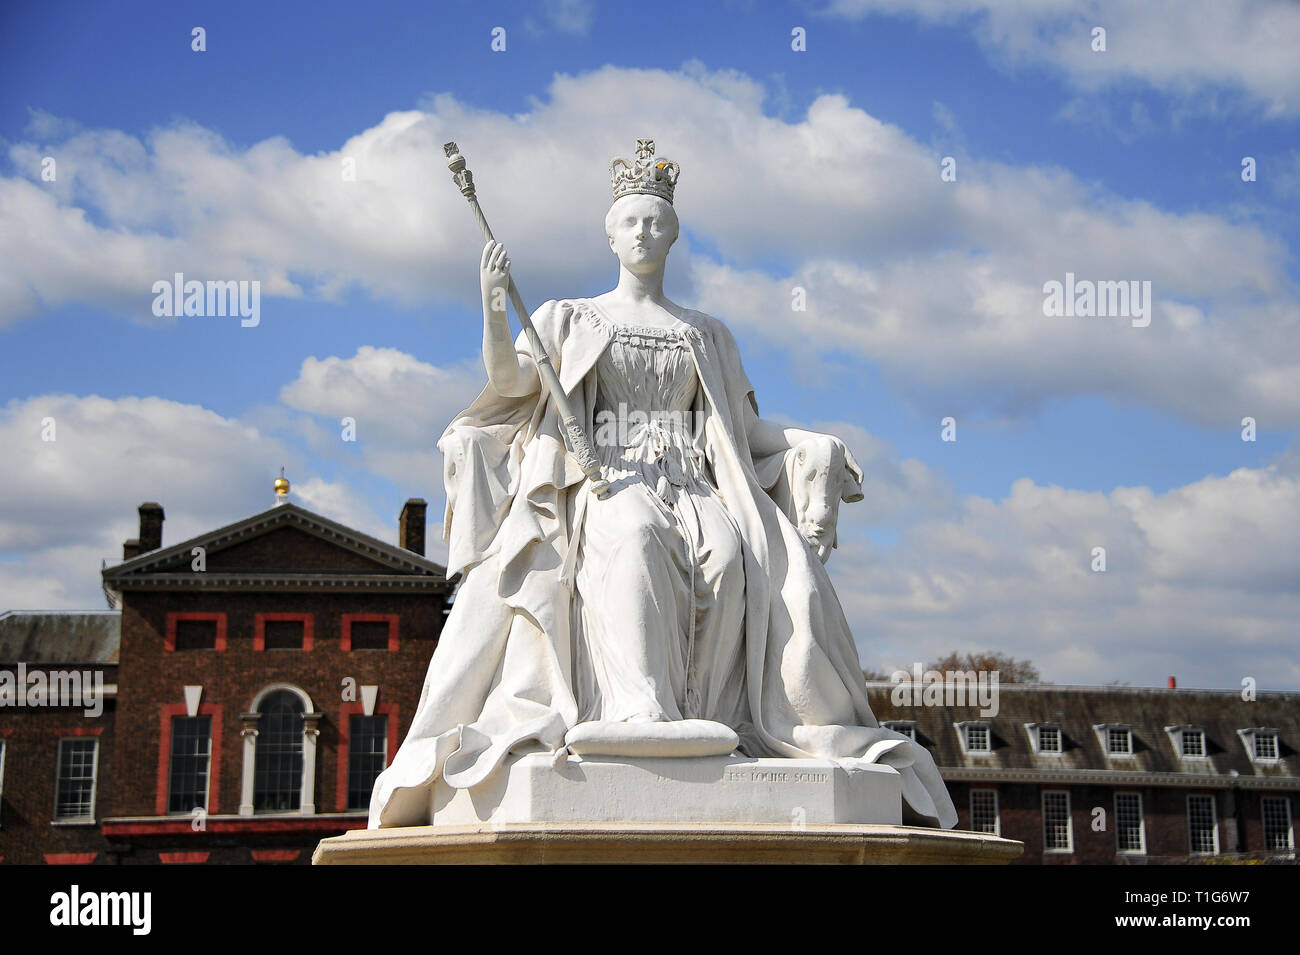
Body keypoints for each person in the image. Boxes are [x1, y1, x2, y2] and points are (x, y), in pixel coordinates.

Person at [369, 140, 957, 829]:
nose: (644, 233)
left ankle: (704, 718)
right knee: (636, 534)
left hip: (695, 480)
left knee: (732, 557)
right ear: (610, 234)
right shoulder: (568, 316)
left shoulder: (705, 333)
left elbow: (741, 431)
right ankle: (637, 708)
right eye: (631, 222)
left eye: (656, 222)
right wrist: (494, 309)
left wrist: (810, 442)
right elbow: (512, 385)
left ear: (673, 234)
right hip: (605, 480)